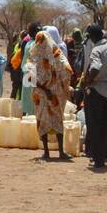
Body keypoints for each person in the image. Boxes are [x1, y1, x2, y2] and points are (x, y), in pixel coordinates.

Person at [77, 24, 107, 170]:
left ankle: (98, 159)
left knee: (95, 126)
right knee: (106, 125)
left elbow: (95, 68)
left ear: (91, 37)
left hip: (97, 93)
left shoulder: (96, 50)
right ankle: (104, 154)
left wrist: (87, 82)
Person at [30, 28, 72, 161]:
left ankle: (46, 152)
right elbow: (67, 70)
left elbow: (29, 78)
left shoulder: (33, 55)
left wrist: (42, 87)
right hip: (54, 92)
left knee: (42, 119)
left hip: (39, 92)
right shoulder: (56, 54)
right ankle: (60, 151)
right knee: (57, 119)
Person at [17, 20, 41, 116]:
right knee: (32, 100)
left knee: (27, 98)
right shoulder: (34, 44)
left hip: (27, 73)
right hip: (33, 74)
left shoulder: (28, 43)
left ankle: (26, 118)